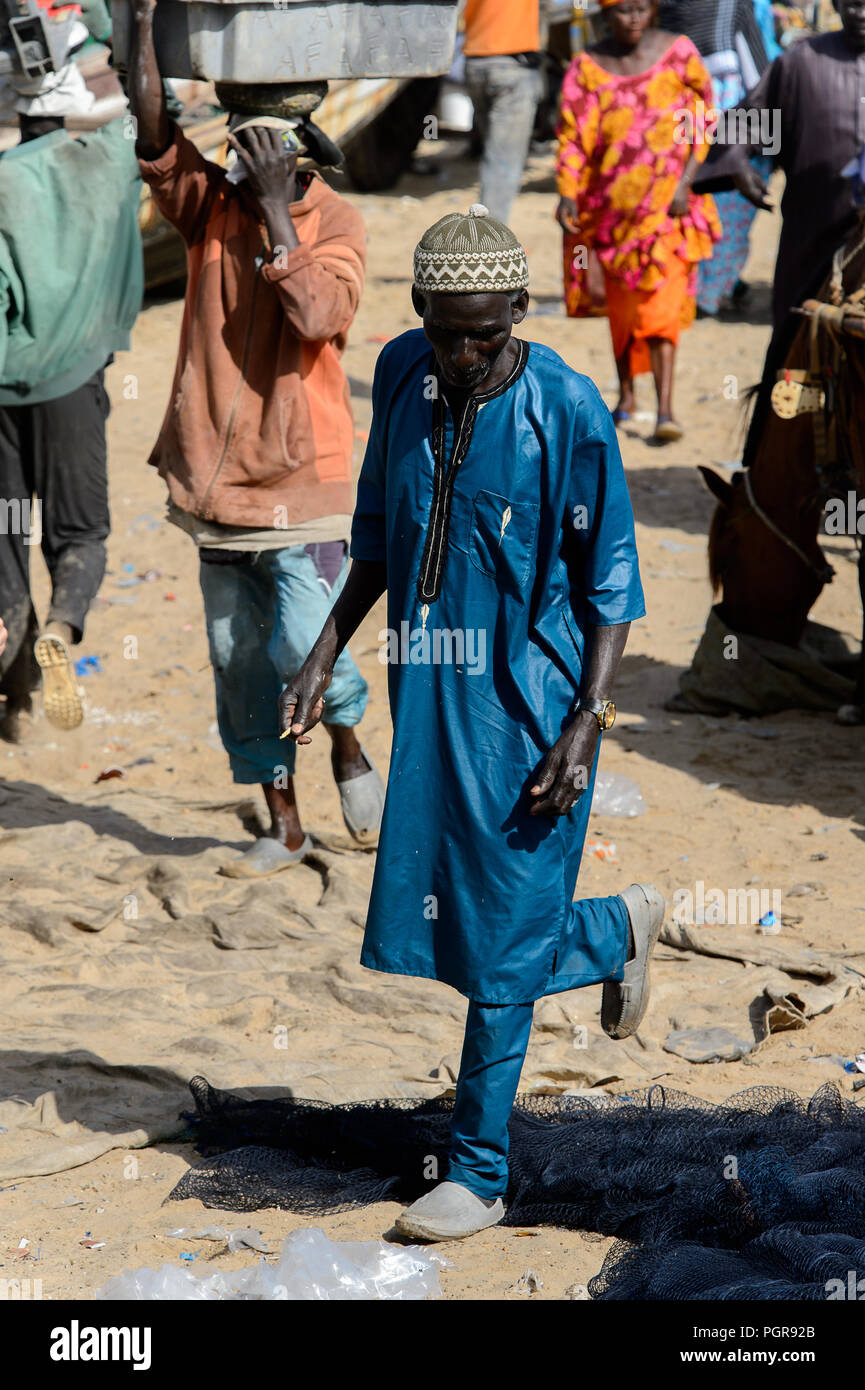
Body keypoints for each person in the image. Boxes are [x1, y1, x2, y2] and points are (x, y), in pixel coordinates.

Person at [281, 204, 664, 1241]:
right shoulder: (404, 376)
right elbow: (376, 533)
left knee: (496, 938)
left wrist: (586, 722)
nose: (462, 354)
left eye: (485, 334)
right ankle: (612, 929)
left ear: (519, 313)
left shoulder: (569, 409)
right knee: (461, 911)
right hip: (428, 693)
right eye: (447, 330)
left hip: (534, 709)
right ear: (419, 315)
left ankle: (480, 1172)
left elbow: (612, 582)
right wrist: (324, 652)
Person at [127, 0, 384, 874]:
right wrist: (139, 23)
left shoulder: (334, 223)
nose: (245, 166)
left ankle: (348, 740)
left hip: (303, 487)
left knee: (303, 646)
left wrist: (279, 216)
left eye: (263, 156)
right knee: (238, 660)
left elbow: (318, 315)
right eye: (241, 152)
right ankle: (284, 822)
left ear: (299, 156)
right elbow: (154, 131)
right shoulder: (209, 210)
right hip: (210, 480)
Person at [0, 0, 142, 742]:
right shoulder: (112, 160)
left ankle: (6, 630)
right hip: (74, 377)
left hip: (2, 381)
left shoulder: (1, 181)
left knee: (6, 526)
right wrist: (121, 22)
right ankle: (63, 621)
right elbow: (160, 105)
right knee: (79, 531)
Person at [695, 0, 865, 464]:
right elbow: (746, 123)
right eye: (852, 1)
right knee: (794, 346)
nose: (862, 11)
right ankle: (768, 468)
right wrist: (736, 165)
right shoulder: (801, 64)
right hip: (817, 238)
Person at [555, 0, 721, 442]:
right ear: (605, 15)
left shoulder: (679, 53)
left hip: (667, 209)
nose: (631, 19)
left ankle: (666, 409)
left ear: (652, 12)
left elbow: (702, 119)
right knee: (622, 312)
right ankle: (627, 398)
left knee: (662, 309)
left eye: (640, 9)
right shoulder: (587, 66)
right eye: (622, 10)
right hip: (608, 215)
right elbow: (571, 134)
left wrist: (686, 182)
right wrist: (567, 193)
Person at [658, 0, 773, 315]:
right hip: (728, 112)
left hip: (674, 117)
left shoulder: (657, 9)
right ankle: (709, 295)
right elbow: (758, 76)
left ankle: (690, 288)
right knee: (728, 212)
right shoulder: (733, 5)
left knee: (688, 207)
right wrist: (768, 139)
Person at [463, 0, 543, 224]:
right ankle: (489, 242)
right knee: (503, 162)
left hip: (475, 62)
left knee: (494, 154)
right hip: (511, 67)